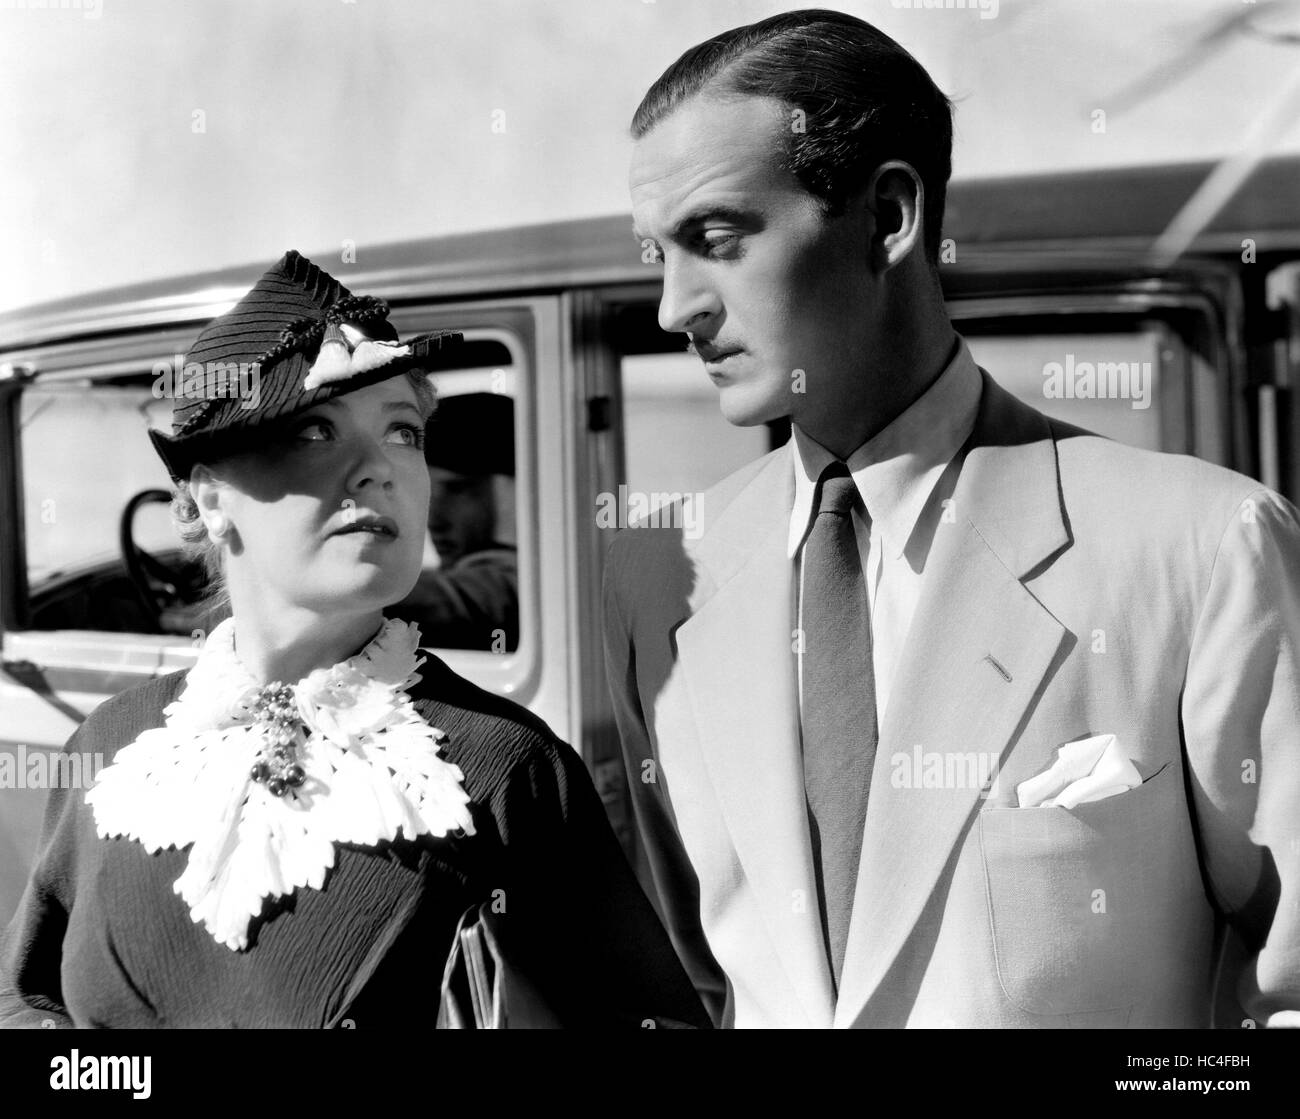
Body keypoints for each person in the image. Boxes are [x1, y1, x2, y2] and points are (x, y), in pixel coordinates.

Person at [603, 9, 1300, 1029]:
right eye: (655, 253)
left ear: (888, 216)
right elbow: (693, 982)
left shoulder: (1201, 547)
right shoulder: (660, 571)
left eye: (715, 239)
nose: (673, 307)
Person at [0, 250, 708, 1029]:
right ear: (207, 499)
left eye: (404, 430)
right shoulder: (109, 744)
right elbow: (26, 998)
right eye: (316, 429)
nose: (380, 468)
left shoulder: (503, 769)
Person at [395, 393, 519, 652]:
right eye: (427, 494)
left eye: (456, 491)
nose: (434, 519)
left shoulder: (523, 582)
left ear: (509, 492)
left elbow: (471, 597)